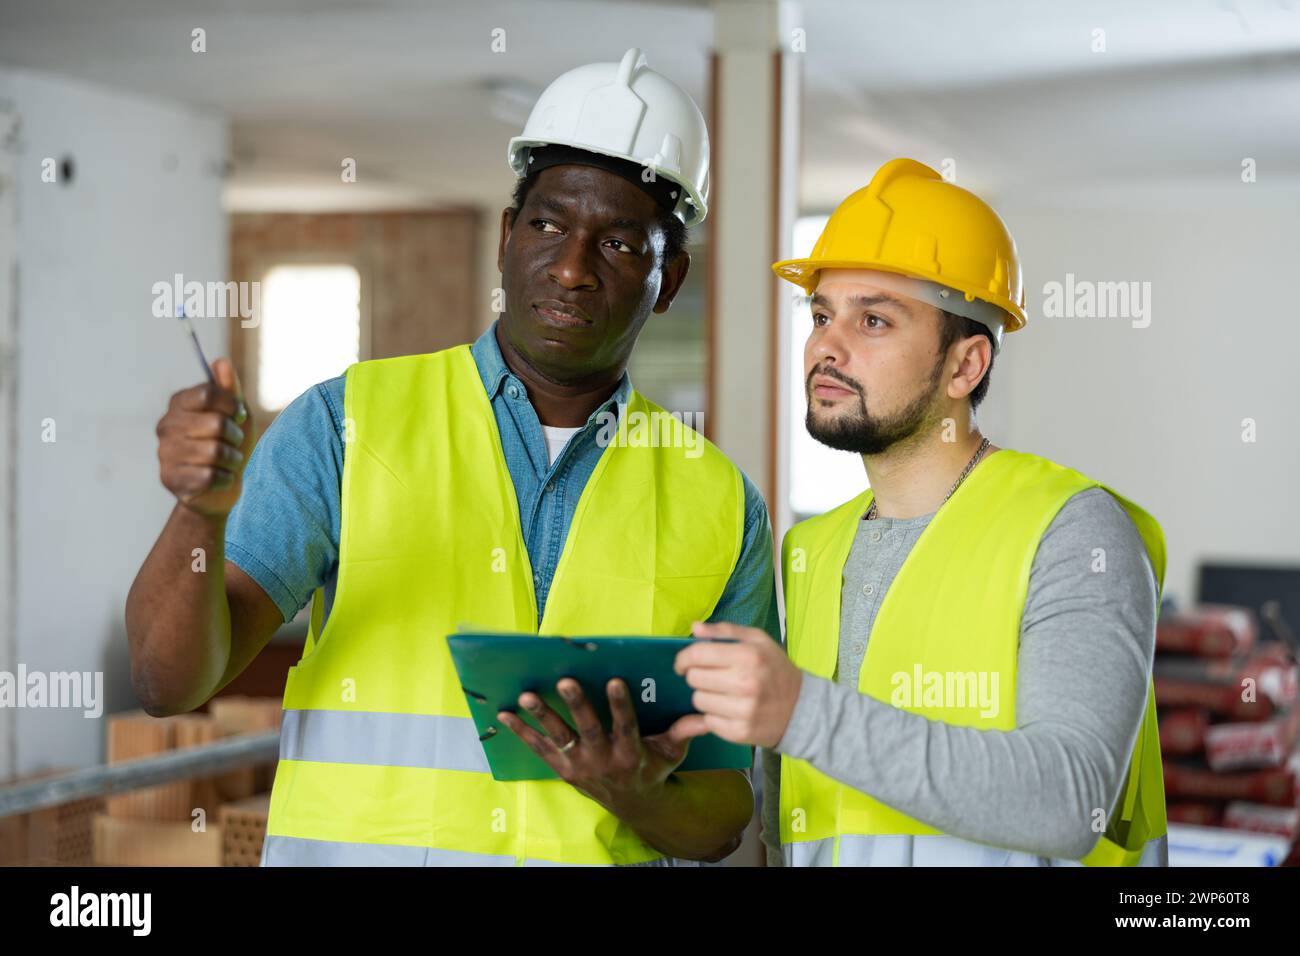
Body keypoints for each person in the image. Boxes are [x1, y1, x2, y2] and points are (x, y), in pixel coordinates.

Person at [126, 48, 777, 867]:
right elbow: (165, 682)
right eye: (547, 225)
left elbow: (723, 816)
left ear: (668, 279)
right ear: (508, 238)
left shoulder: (720, 503)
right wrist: (198, 513)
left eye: (618, 245)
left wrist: (632, 789)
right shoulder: (345, 422)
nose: (572, 270)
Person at [674, 158, 1167, 866]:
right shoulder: (812, 548)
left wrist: (799, 712)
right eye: (821, 315)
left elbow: (1069, 800)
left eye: (872, 319)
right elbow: (796, 819)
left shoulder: (1072, 530)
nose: (825, 346)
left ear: (965, 367)